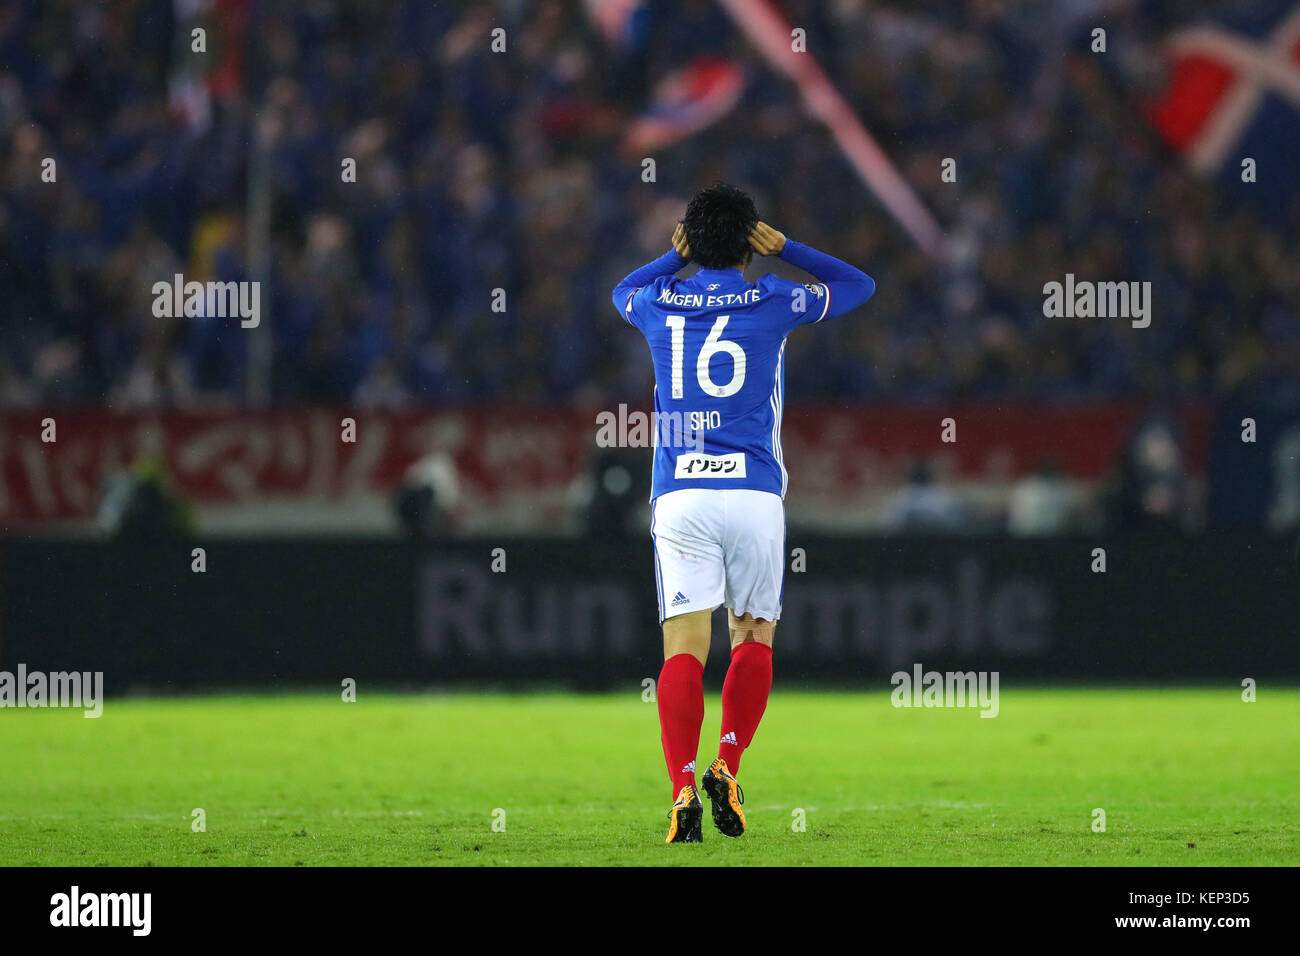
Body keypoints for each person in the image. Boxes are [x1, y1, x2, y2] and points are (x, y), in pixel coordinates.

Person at [611, 183, 876, 842]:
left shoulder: (657, 303)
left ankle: (680, 789)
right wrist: (785, 249)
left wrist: (672, 260)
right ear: (751, 242)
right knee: (753, 634)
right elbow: (859, 285)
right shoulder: (775, 298)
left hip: (681, 494)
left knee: (684, 648)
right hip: (754, 493)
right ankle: (727, 765)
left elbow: (620, 290)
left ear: (691, 242)